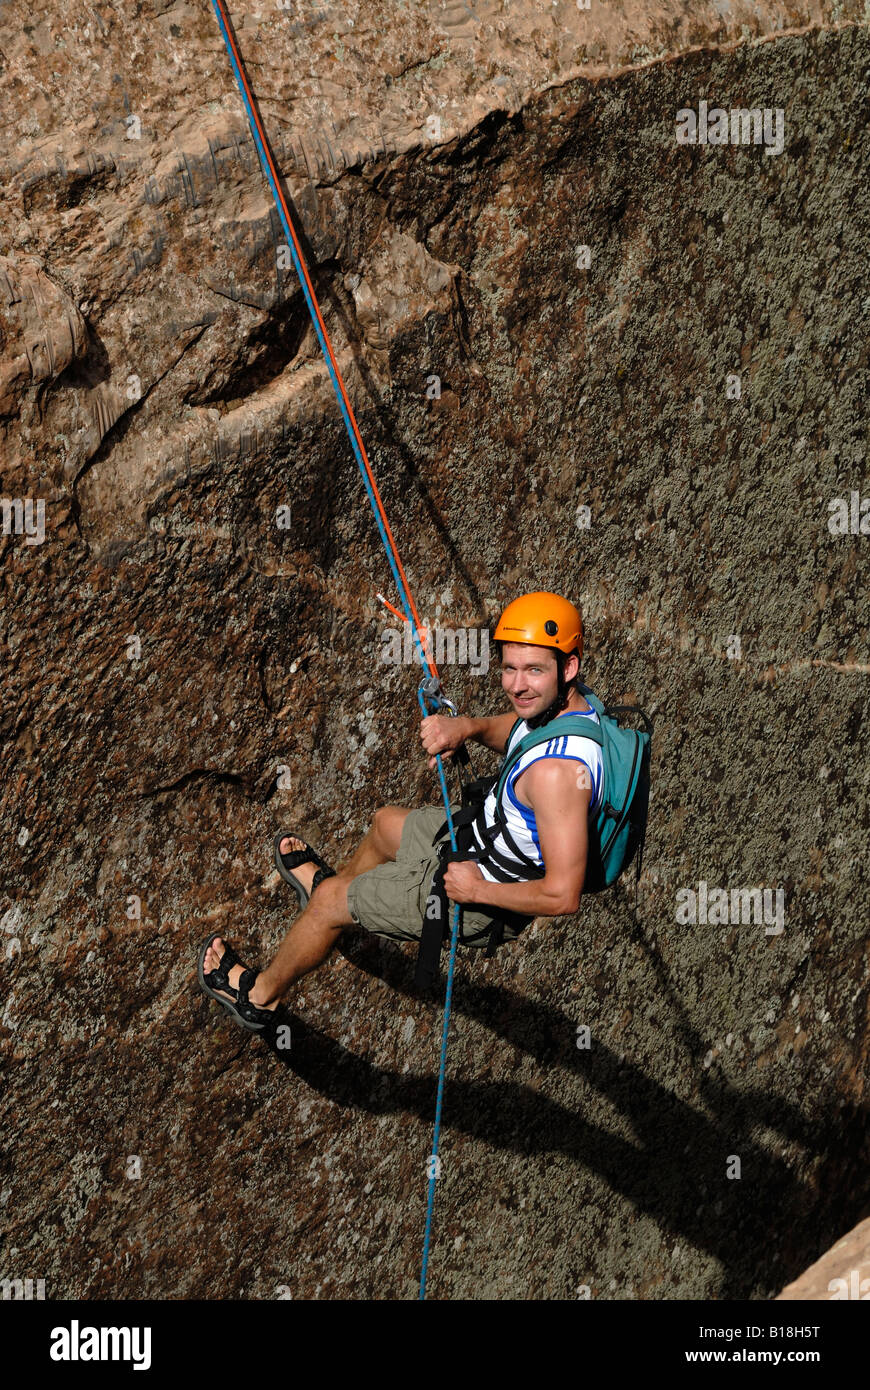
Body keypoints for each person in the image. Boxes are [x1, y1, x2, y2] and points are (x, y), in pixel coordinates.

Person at [197, 592, 604, 1031]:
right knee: (384, 824)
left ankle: (260, 996)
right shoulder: (572, 705)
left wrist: (475, 890)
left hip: (486, 890)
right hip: (480, 839)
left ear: (568, 667)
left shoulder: (560, 776)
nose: (517, 685)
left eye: (533, 671)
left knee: (329, 902)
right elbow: (524, 727)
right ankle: (342, 900)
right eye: (509, 668)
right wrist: (467, 727)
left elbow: (563, 895)